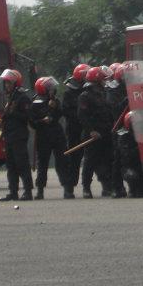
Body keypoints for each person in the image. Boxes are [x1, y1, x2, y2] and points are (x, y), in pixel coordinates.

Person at [28, 76, 73, 199]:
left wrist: (54, 108)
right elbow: (32, 122)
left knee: (63, 162)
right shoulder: (35, 104)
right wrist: (42, 120)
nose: (53, 90)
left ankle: (67, 189)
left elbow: (60, 113)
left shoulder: (55, 101)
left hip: (57, 135)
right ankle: (40, 190)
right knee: (42, 164)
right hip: (43, 136)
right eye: (50, 88)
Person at [77, 65, 114, 198]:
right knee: (90, 162)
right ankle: (86, 188)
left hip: (105, 134)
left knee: (106, 161)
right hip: (92, 135)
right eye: (103, 79)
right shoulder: (85, 96)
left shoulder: (104, 94)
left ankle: (107, 187)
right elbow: (83, 116)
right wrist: (91, 131)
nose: (105, 82)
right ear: (98, 80)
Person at [0, 69, 33, 201]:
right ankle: (13, 192)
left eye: (8, 83)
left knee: (22, 164)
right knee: (11, 166)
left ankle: (28, 191)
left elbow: (27, 117)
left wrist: (13, 113)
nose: (6, 85)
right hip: (9, 135)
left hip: (19, 136)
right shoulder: (10, 97)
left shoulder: (22, 98)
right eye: (5, 83)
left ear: (15, 83)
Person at [61, 64, 88, 195]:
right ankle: (69, 187)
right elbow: (65, 111)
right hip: (74, 130)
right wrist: (79, 116)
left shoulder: (90, 90)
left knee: (93, 158)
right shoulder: (69, 92)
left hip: (88, 128)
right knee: (73, 159)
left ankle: (105, 185)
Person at [105, 63, 129, 198]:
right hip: (119, 125)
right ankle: (117, 187)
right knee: (118, 157)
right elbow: (114, 107)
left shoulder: (135, 87)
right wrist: (126, 100)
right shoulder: (112, 89)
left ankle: (137, 185)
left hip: (136, 124)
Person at [113, 111, 143, 198]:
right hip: (129, 165)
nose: (138, 125)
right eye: (135, 123)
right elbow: (127, 154)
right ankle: (132, 189)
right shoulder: (123, 135)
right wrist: (140, 148)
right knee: (131, 175)